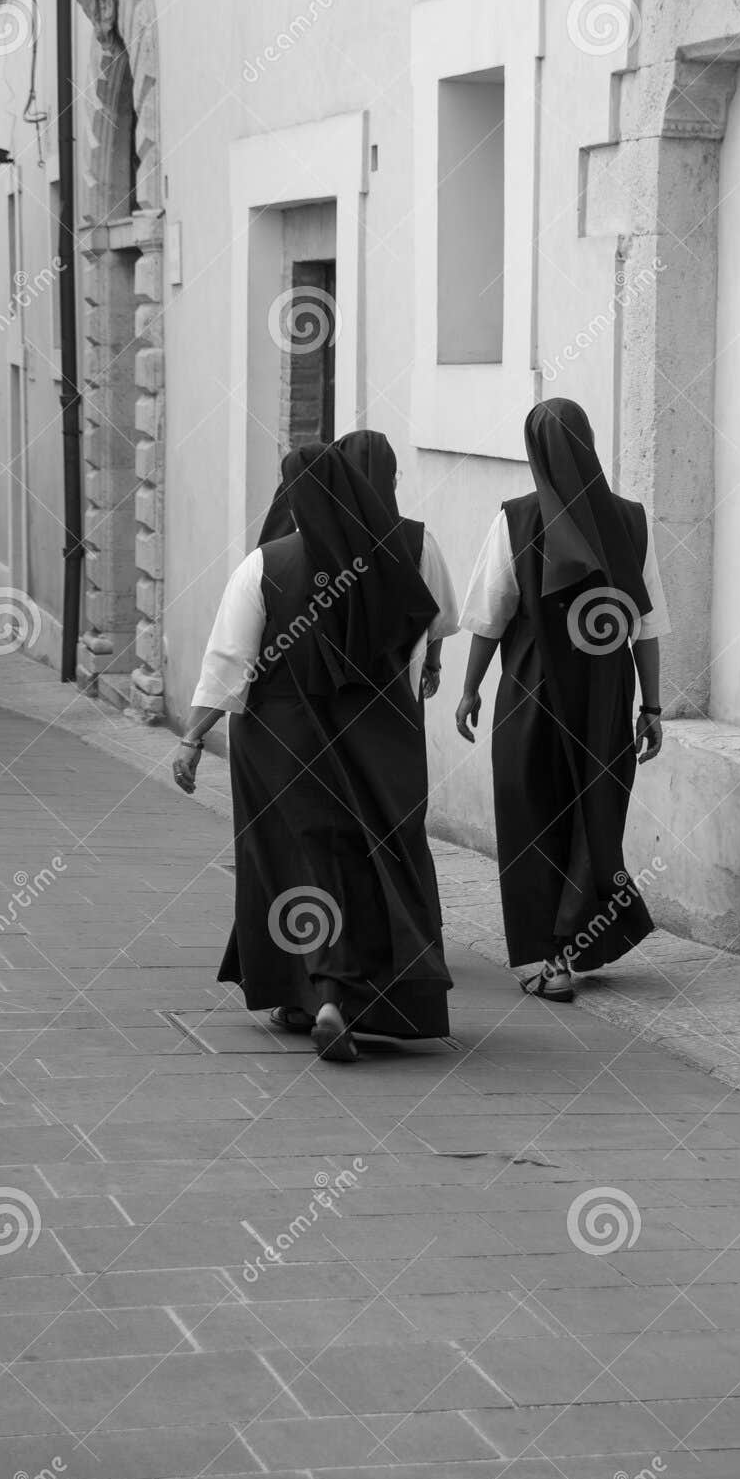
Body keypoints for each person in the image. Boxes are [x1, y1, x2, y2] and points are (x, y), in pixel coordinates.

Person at [173, 444, 453, 1061]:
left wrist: (192, 739)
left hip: (281, 740)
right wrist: (424, 667)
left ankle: (313, 995)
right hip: (381, 738)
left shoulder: (265, 564)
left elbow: (229, 663)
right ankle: (365, 998)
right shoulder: (413, 548)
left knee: (295, 859)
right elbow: (439, 624)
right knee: (377, 858)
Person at [456, 397, 668, 1002]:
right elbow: (646, 624)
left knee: (531, 812)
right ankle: (571, 947)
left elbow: (490, 616)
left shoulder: (515, 520)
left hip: (530, 692)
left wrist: (470, 688)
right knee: (592, 814)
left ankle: (549, 958)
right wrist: (650, 707)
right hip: (604, 698)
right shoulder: (630, 521)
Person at [335, 429, 458, 700]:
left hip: (328, 694)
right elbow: (439, 618)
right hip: (397, 693)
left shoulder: (317, 538)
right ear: (391, 482)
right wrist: (432, 666)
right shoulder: (419, 541)